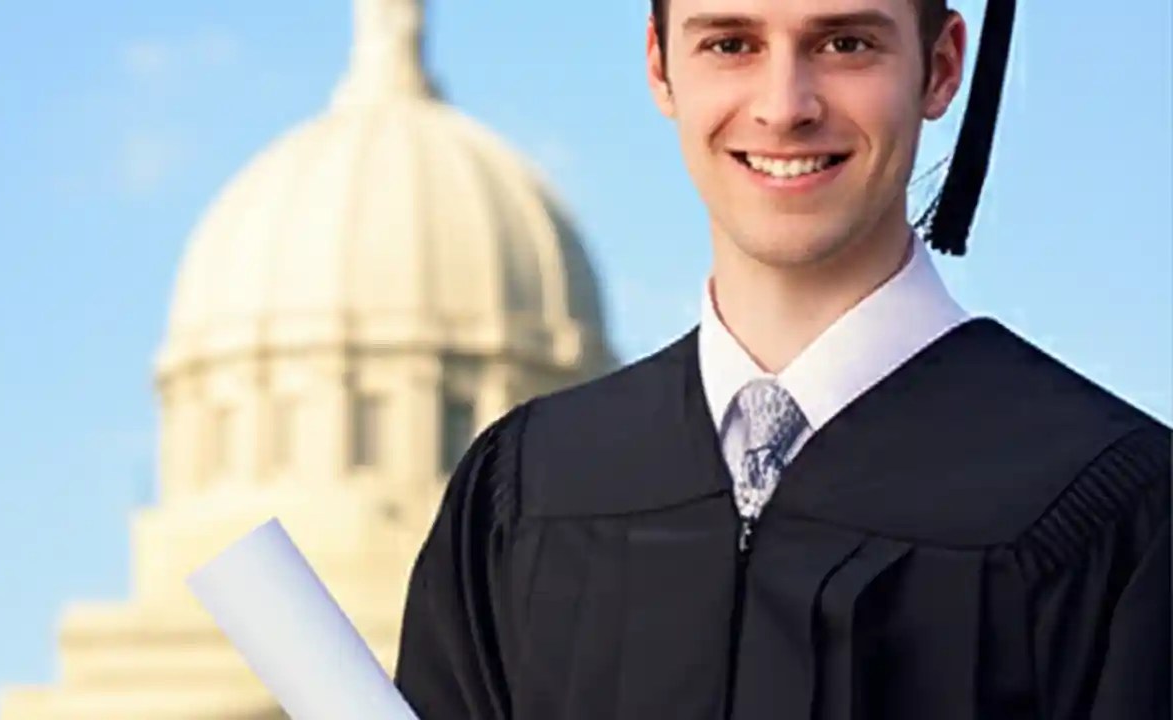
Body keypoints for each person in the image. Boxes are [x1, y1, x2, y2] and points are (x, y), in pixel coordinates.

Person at [393, 0, 1172, 717]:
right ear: (661, 66)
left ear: (939, 69)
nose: (783, 106)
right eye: (731, 43)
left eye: (845, 43)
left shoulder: (1119, 510)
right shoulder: (526, 491)